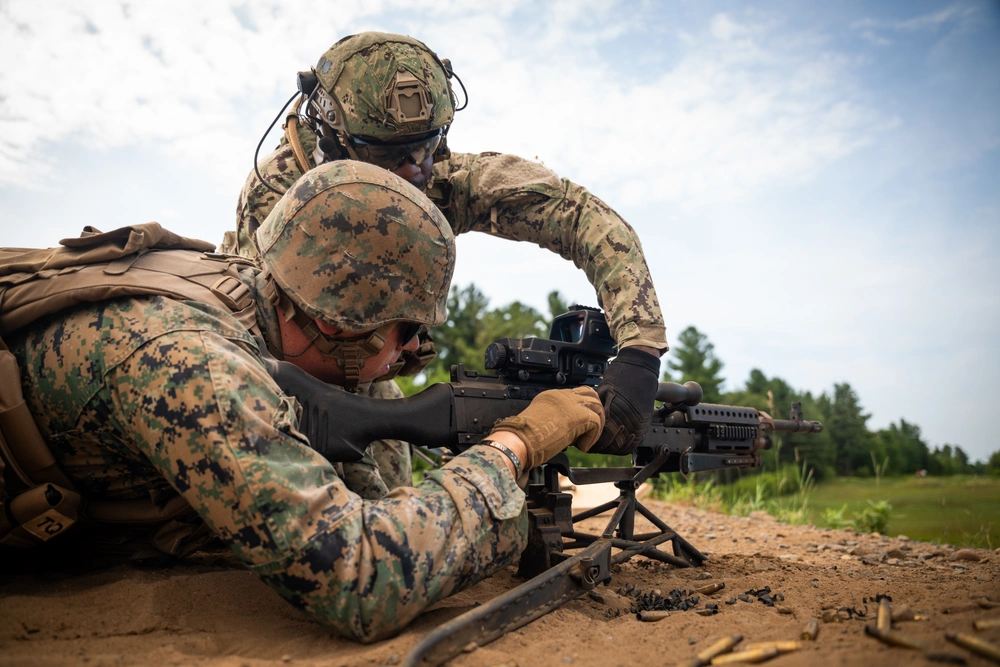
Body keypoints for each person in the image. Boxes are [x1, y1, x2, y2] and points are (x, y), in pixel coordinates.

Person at [3, 161, 605, 641]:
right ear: (341, 325)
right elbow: (361, 580)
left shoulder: (254, 290)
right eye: (407, 329)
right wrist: (512, 446)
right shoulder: (198, 366)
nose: (413, 348)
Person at [220, 31, 666, 482]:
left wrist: (640, 351)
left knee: (393, 471)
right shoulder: (280, 194)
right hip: (277, 377)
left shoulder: (438, 178)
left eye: (428, 144)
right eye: (387, 153)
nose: (416, 167)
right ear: (333, 138)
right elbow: (279, 346)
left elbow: (581, 217)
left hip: (371, 374)